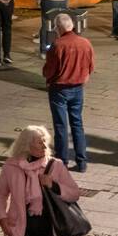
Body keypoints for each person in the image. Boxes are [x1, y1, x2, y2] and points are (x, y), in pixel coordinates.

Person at [0, 125, 81, 236]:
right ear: (27, 145)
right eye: (40, 142)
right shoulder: (11, 166)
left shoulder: (56, 165)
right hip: (21, 230)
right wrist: (2, 218)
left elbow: (74, 193)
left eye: (45, 141)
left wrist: (53, 185)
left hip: (52, 230)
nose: (45, 146)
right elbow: (0, 193)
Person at [43, 13, 94, 172]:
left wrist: (46, 73)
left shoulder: (57, 45)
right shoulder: (85, 43)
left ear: (58, 28)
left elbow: (49, 71)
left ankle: (62, 161)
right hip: (78, 88)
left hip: (59, 89)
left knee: (60, 125)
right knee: (77, 124)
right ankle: (81, 161)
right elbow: (91, 67)